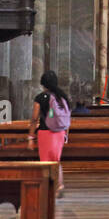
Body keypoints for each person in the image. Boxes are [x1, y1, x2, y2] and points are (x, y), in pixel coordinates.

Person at [28, 70, 72, 198]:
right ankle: (59, 185)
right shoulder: (62, 97)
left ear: (43, 83)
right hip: (59, 133)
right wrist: (65, 135)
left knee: (45, 161)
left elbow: (34, 118)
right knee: (56, 160)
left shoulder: (40, 98)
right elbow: (67, 118)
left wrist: (31, 137)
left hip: (45, 132)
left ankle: (48, 187)